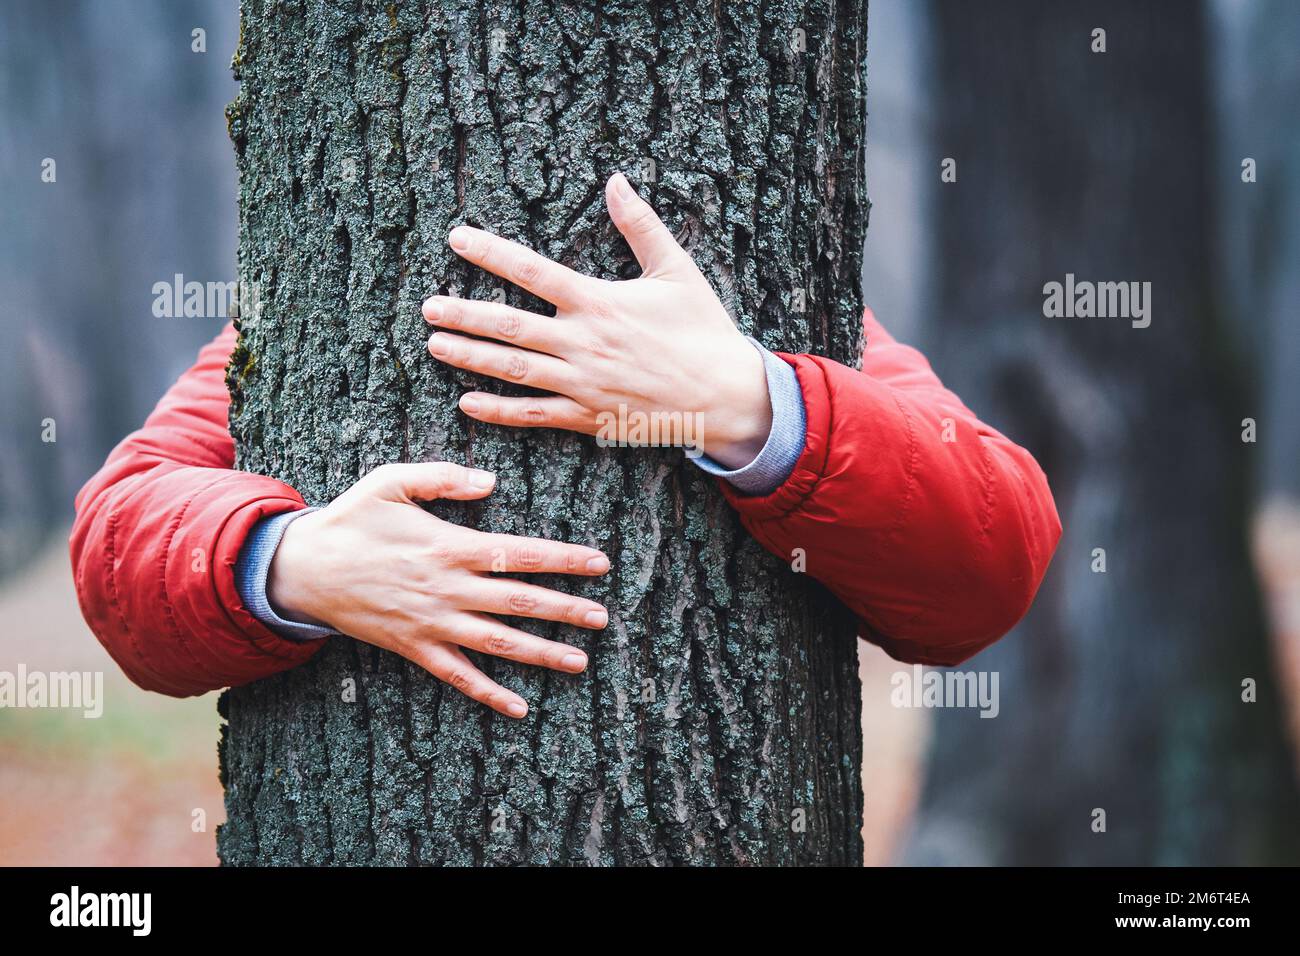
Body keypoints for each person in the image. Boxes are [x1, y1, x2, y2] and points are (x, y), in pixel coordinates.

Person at [70, 173, 1061, 718]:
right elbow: (116, 542)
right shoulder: (309, 309)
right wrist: (285, 561)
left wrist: (745, 402)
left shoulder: (788, 290)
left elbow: (991, 561)